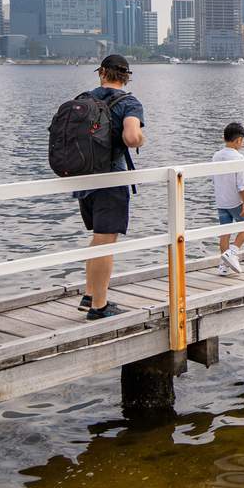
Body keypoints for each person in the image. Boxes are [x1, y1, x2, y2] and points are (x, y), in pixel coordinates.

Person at [74, 55, 146, 320]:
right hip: (110, 181)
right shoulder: (128, 103)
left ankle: (90, 294)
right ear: (126, 76)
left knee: (98, 238)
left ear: (101, 73)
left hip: (84, 179)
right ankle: (99, 306)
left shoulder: (83, 98)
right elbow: (131, 137)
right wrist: (141, 138)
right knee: (106, 241)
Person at [212, 122, 244, 275]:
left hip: (221, 200)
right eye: (242, 140)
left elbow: (214, 178)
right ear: (238, 140)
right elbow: (241, 184)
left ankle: (224, 267)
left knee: (225, 233)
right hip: (235, 201)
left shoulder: (216, 156)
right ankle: (232, 252)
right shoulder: (238, 157)